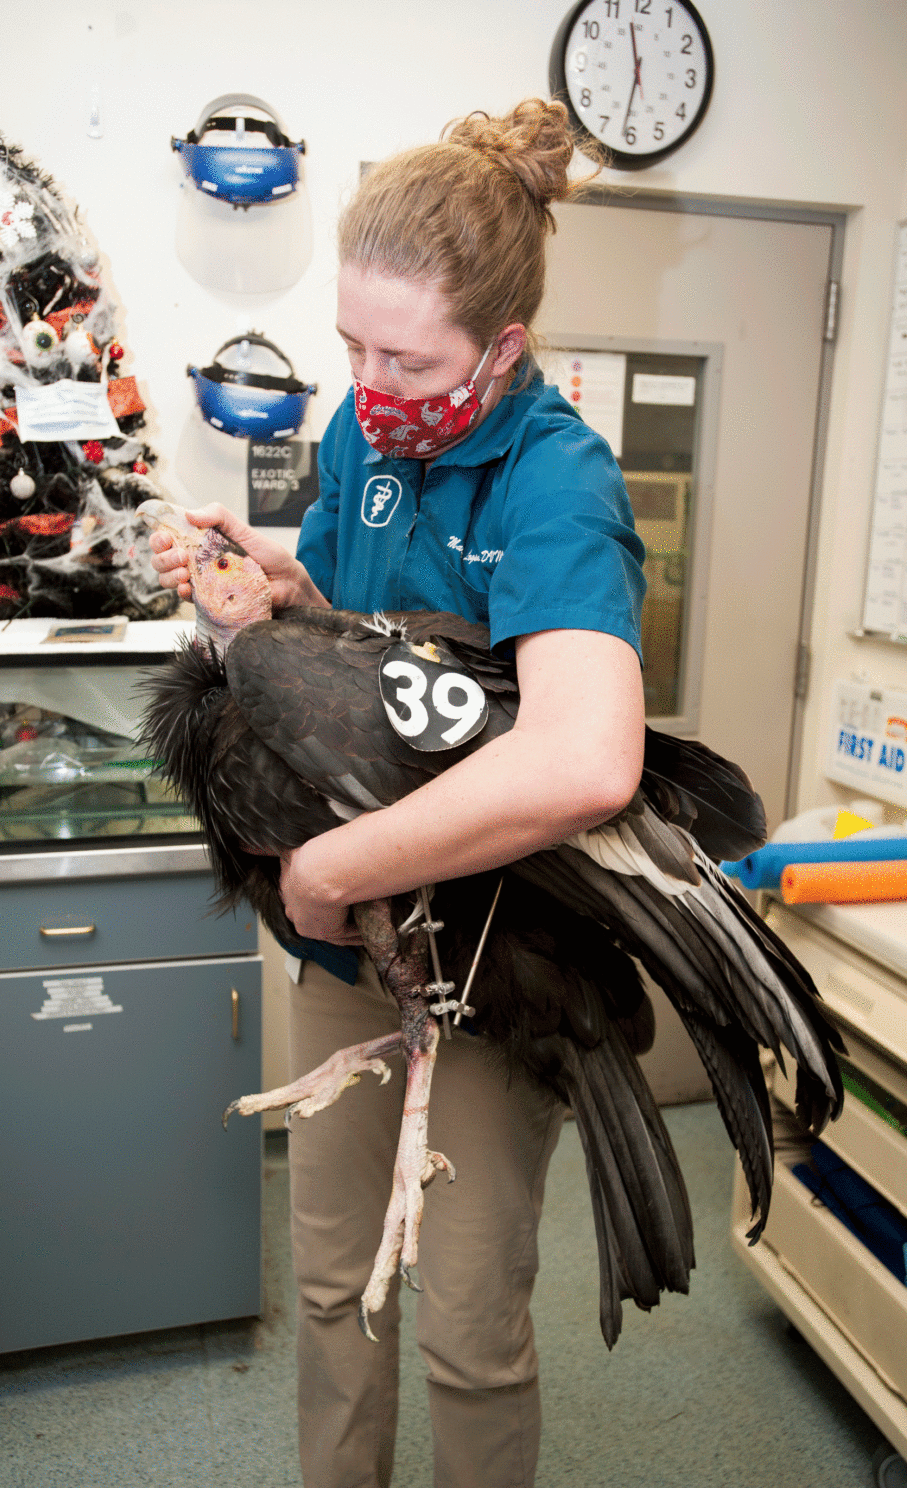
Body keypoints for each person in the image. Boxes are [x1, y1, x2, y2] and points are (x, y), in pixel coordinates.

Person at [151, 98, 647, 1488]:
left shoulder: (558, 485)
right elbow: (353, 611)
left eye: (403, 354)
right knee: (325, 1293)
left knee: (468, 1327)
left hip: (500, 955)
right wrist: (274, 576)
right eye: (350, 344)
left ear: (502, 348)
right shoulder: (371, 432)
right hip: (355, 949)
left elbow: (586, 759)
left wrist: (324, 869)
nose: (367, 382)